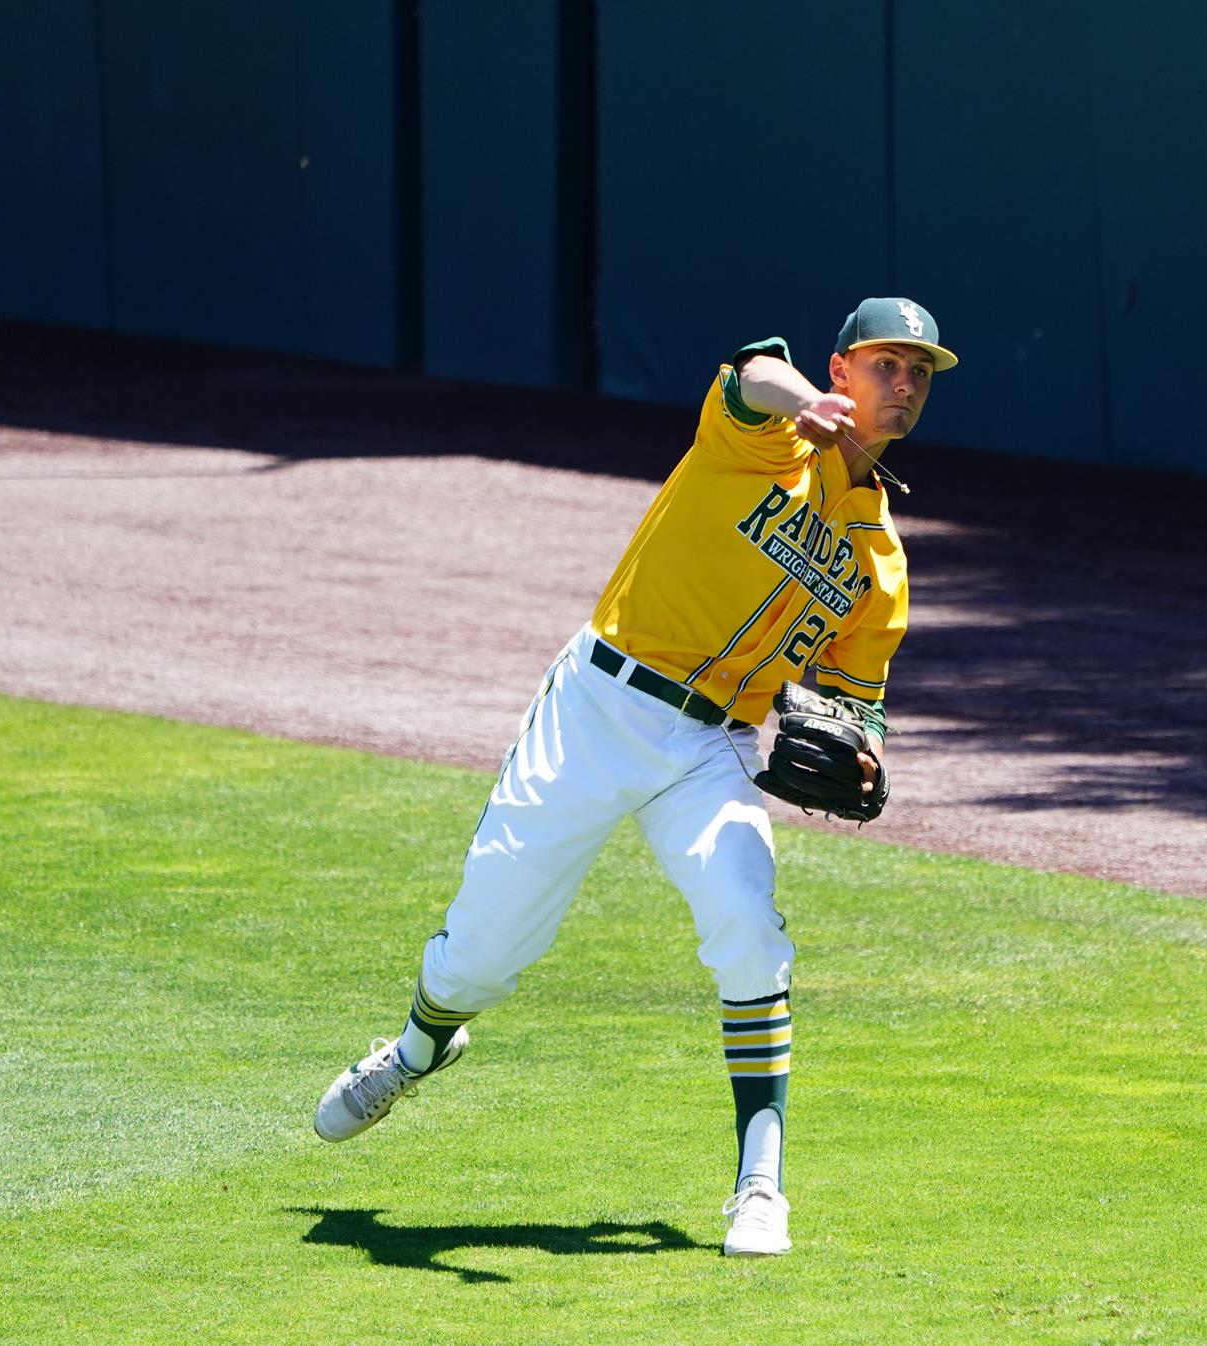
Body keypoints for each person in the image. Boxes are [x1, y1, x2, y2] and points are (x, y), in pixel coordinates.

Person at [311, 297, 956, 1259]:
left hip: (712, 751)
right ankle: (415, 1050)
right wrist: (802, 403)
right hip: (598, 708)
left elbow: (856, 703)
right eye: (884, 364)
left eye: (919, 372)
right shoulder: (765, 446)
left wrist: (861, 747)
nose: (901, 384)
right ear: (841, 367)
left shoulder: (881, 565)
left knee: (749, 926)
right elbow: (748, 371)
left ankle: (760, 1185)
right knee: (480, 954)